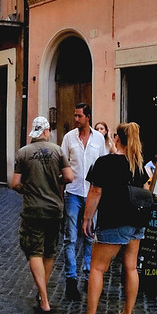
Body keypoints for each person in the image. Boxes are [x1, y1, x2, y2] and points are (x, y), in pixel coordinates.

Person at [74, 122, 148, 314]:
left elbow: (95, 192)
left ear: (117, 138)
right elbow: (143, 189)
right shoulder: (138, 164)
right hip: (136, 221)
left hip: (114, 220)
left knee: (98, 268)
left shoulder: (105, 163)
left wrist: (87, 218)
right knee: (131, 267)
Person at [12, 116, 73, 314]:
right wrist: (56, 182)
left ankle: (44, 299)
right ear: (47, 131)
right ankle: (42, 293)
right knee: (49, 252)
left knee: (34, 252)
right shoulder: (57, 150)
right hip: (54, 209)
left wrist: (26, 189)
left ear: (34, 132)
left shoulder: (23, 153)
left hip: (32, 210)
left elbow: (14, 183)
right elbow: (69, 177)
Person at [61, 103, 106, 300]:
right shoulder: (69, 137)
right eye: (75, 116)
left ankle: (89, 275)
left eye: (79, 116)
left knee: (90, 235)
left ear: (88, 117)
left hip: (92, 194)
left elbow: (104, 164)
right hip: (73, 192)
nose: (76, 119)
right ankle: (71, 280)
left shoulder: (99, 139)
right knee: (70, 237)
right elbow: (63, 163)